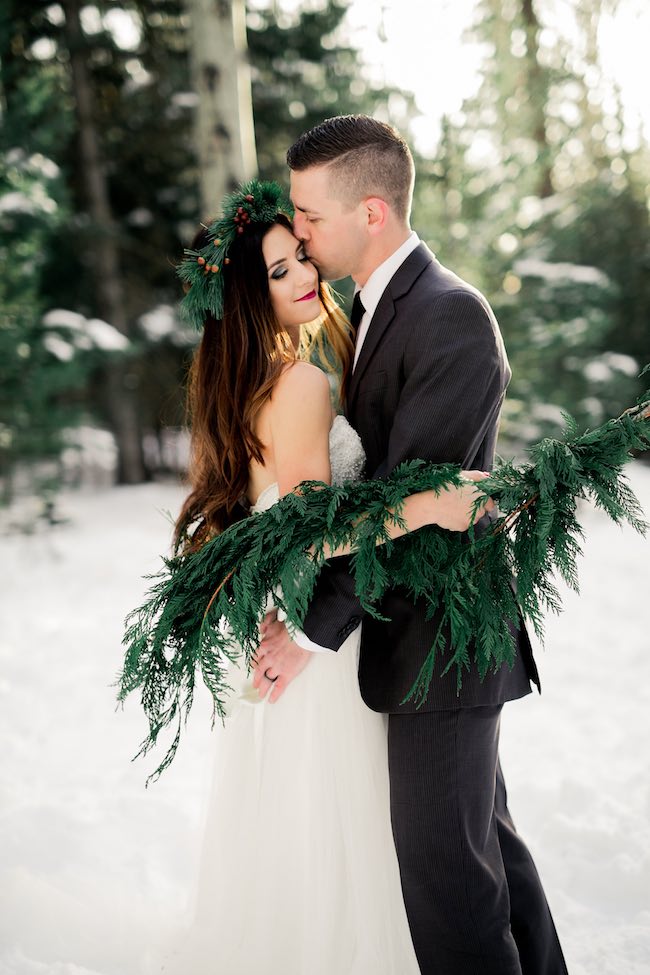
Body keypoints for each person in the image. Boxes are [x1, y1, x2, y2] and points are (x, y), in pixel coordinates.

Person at [252, 117, 569, 975]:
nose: (300, 235)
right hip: (415, 645)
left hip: (444, 644)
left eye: (310, 215)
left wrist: (312, 629)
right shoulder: (371, 311)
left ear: (373, 211)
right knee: (489, 862)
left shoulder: (449, 315)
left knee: (450, 893)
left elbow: (405, 500)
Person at [163, 179, 491, 974]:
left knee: (303, 831)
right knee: (349, 832)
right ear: (248, 298)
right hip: (320, 636)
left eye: (300, 257)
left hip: (290, 623)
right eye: (279, 271)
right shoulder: (300, 383)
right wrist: (429, 504)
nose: (306, 274)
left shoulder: (243, 391)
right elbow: (312, 533)